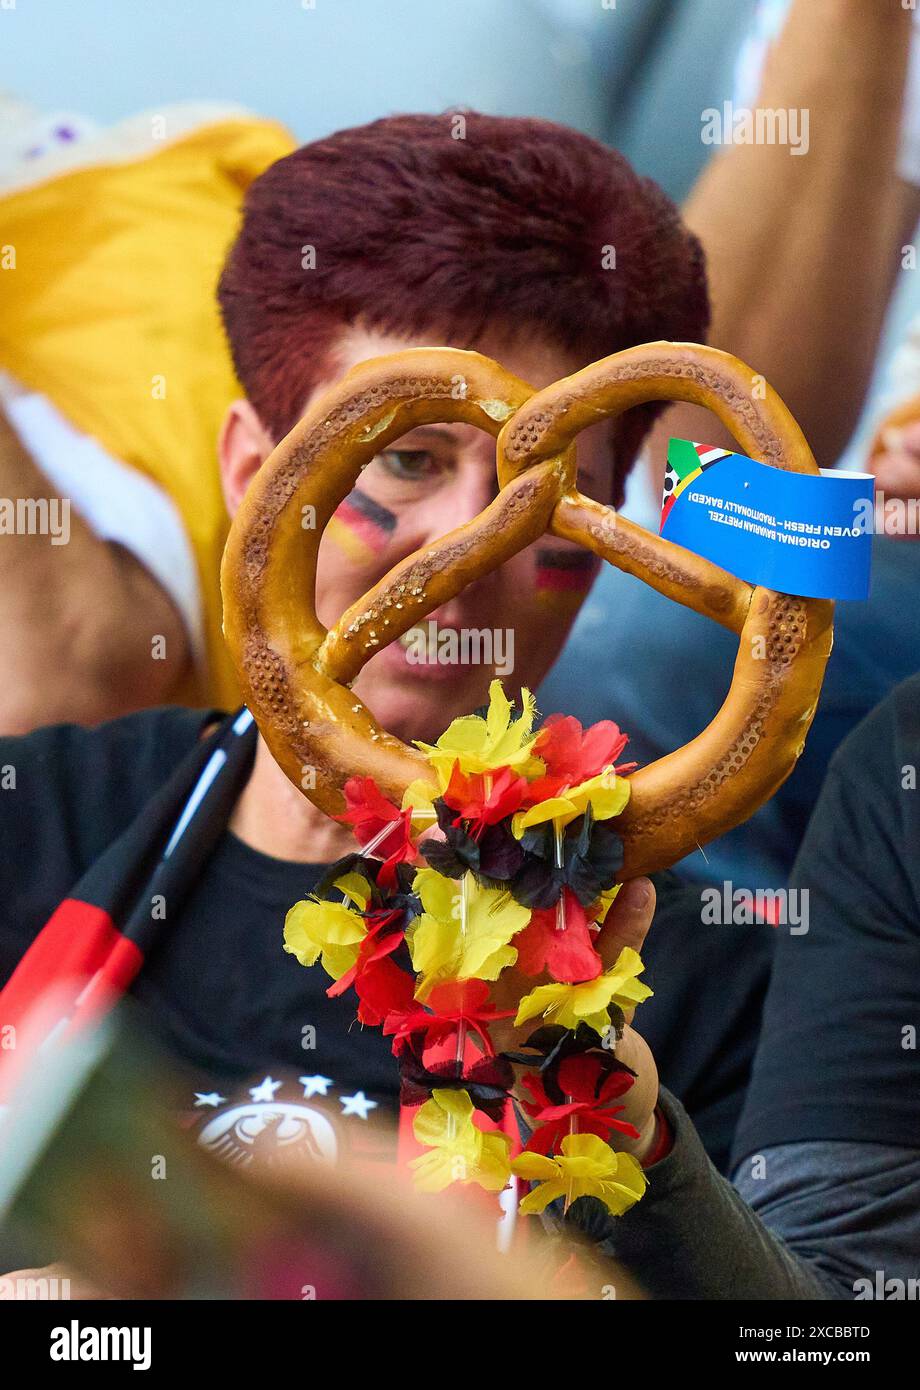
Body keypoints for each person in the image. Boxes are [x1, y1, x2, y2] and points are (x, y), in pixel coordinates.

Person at [0, 112, 770, 1215]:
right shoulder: (34, 821)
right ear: (253, 475)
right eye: (404, 460)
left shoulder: (716, 997)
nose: (463, 556)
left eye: (539, 495)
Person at [541, 0, 920, 888]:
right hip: (866, 535)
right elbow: (693, 439)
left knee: (642, 648)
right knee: (636, 561)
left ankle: (750, 1012)